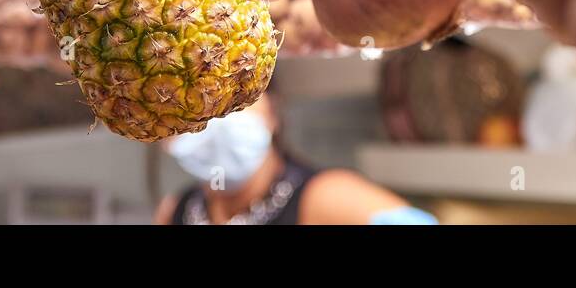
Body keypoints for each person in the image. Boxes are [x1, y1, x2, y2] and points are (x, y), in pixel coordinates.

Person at [155, 94, 437, 225]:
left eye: (234, 96)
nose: (212, 117)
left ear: (272, 111)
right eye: (184, 106)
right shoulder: (175, 211)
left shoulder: (328, 198)